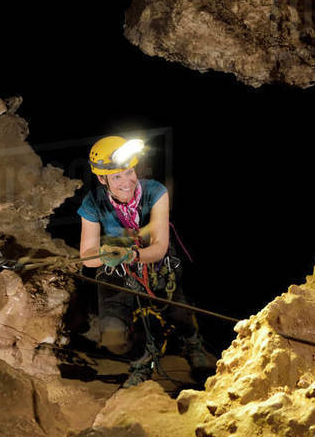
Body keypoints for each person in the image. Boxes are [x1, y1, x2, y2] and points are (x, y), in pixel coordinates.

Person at [78, 135, 216, 387]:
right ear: (102, 178)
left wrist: (132, 254)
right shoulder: (92, 203)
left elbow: (160, 245)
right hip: (115, 270)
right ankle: (142, 357)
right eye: (117, 176)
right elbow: (87, 257)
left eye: (129, 171)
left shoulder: (155, 191)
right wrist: (106, 255)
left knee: (177, 311)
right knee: (113, 339)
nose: (127, 181)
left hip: (155, 262)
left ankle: (192, 343)